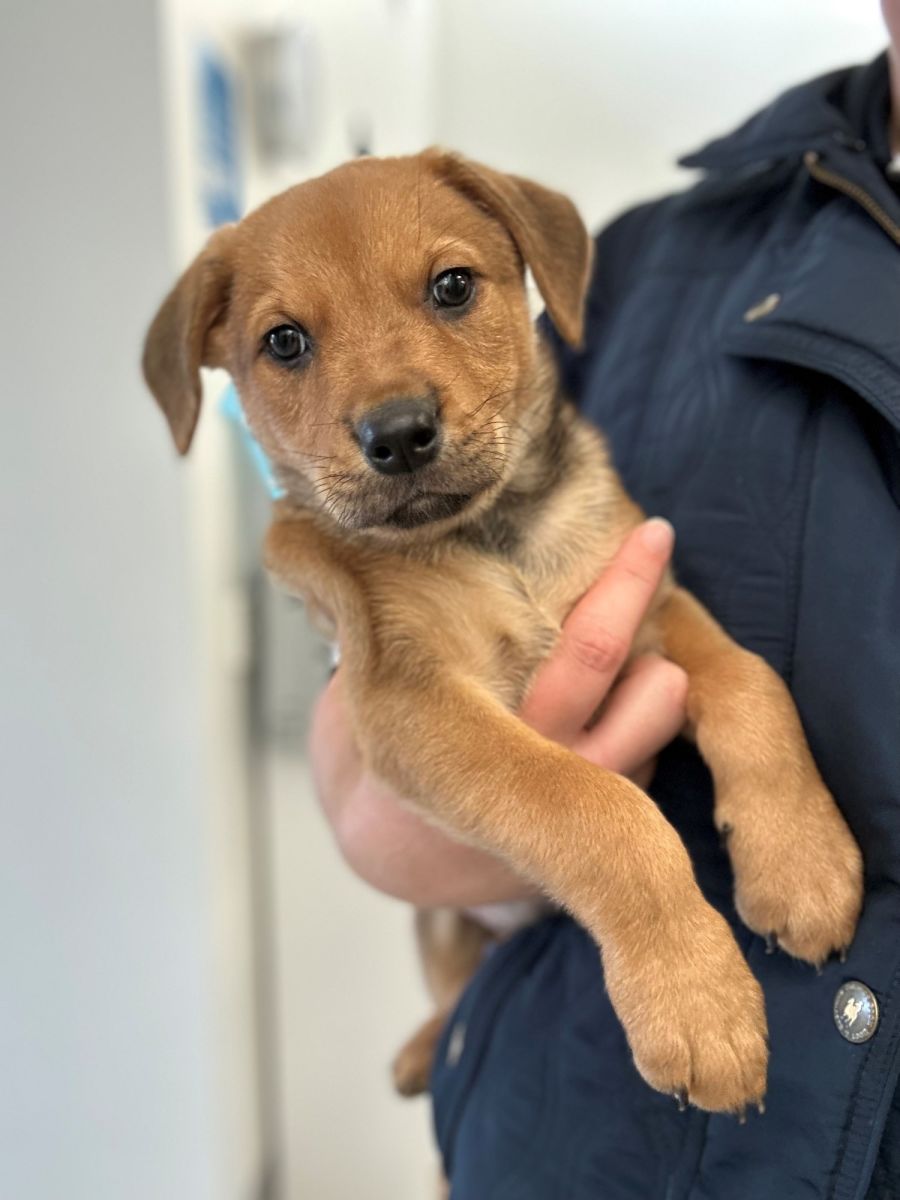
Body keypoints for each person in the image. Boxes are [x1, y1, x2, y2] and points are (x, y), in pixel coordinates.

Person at [310, 8, 900, 1195]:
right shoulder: (647, 268)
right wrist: (457, 822)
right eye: (288, 342)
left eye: (449, 289)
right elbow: (367, 787)